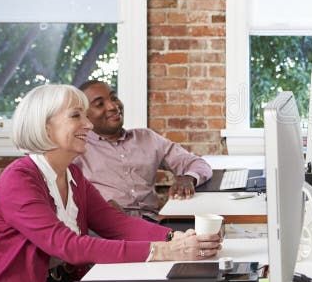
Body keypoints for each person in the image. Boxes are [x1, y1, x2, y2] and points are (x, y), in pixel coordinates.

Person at [0, 84, 222, 282]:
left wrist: (175, 237)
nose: (88, 125)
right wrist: (164, 251)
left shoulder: (72, 174)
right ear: (45, 127)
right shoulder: (19, 179)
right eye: (75, 116)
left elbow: (115, 223)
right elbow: (69, 246)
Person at [74, 80, 212, 219]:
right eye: (99, 104)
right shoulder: (77, 150)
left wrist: (188, 178)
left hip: (152, 223)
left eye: (114, 98)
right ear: (85, 115)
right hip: (108, 228)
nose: (112, 106)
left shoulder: (146, 138)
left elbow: (199, 164)